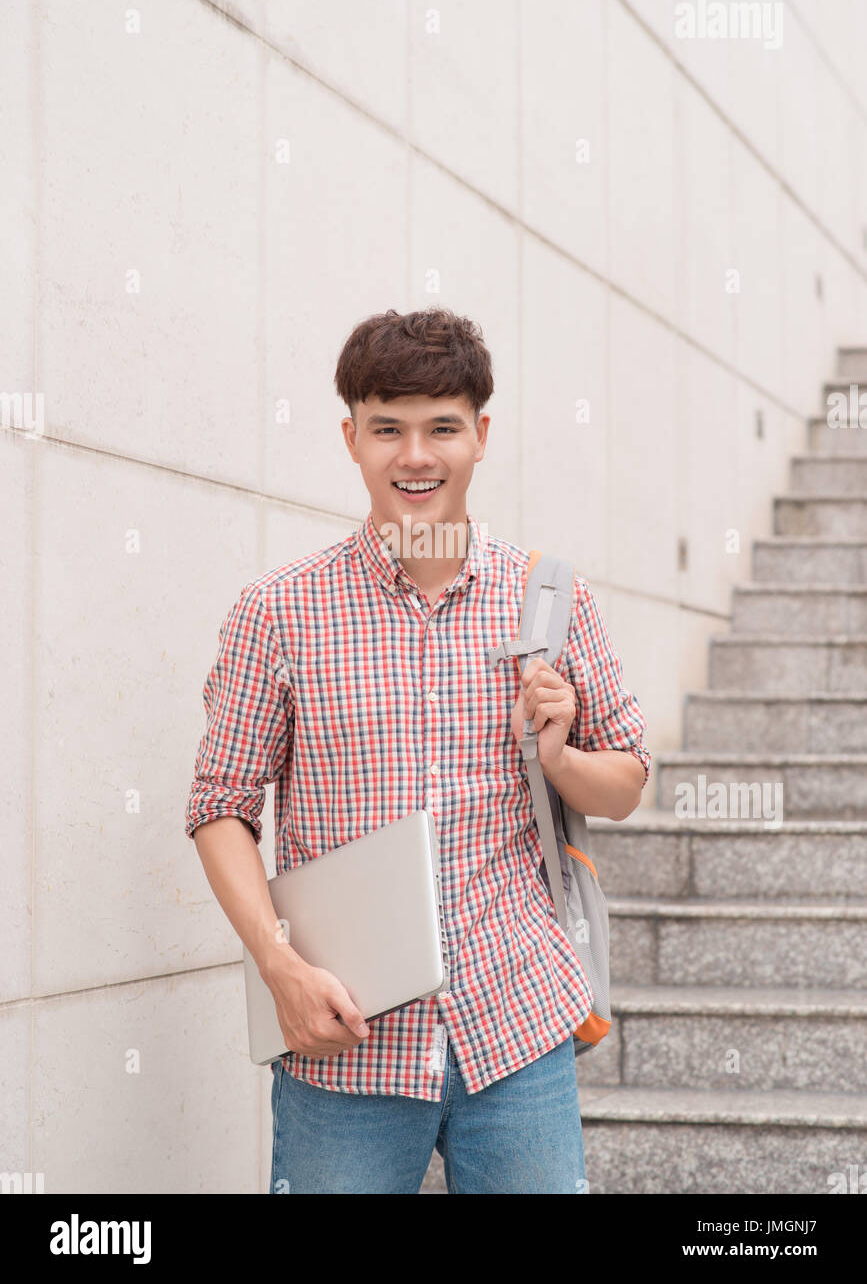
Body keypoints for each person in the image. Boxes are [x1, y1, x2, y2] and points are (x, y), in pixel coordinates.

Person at [185, 307, 651, 1194]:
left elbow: (625, 781)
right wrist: (279, 967)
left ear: (480, 435)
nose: (415, 455)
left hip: (517, 1029)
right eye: (386, 428)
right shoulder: (277, 612)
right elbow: (220, 809)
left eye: (441, 426)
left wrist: (558, 758)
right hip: (345, 1046)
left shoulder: (548, 599)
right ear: (350, 438)